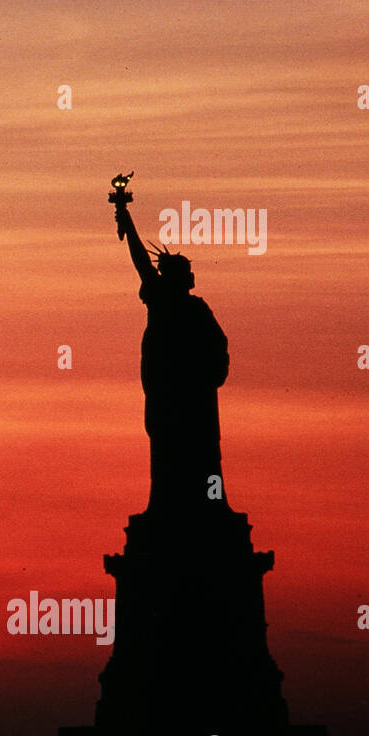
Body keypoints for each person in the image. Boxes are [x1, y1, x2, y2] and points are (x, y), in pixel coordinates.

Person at [115, 202, 230, 513]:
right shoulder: (161, 299)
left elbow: (219, 345)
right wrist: (128, 222)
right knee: (168, 447)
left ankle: (208, 506)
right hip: (168, 391)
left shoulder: (196, 309)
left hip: (193, 395)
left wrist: (212, 371)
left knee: (200, 450)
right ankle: (167, 504)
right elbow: (141, 260)